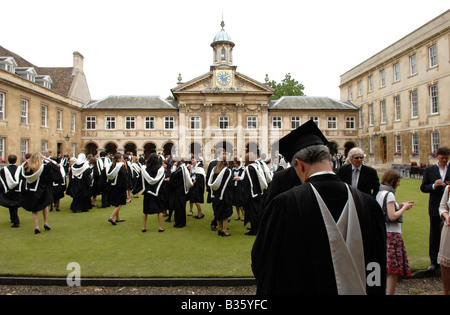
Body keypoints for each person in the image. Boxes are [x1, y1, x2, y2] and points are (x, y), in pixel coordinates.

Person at [252, 120, 386, 295]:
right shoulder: (368, 204)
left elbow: (262, 259)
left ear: (299, 165)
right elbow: (376, 262)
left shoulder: (284, 204)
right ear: (329, 158)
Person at [376, 170, 414, 295]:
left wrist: (401, 204)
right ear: (392, 180)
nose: (398, 184)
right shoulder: (390, 195)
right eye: (397, 181)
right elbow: (392, 216)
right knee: (393, 269)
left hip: (384, 232)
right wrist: (404, 208)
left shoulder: (380, 193)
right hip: (392, 233)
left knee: (387, 267)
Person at [421, 146, 450, 273]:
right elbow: (423, 187)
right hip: (435, 206)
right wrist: (434, 185)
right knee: (434, 234)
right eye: (442, 158)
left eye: (446, 158)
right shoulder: (430, 170)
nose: (444, 160)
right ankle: (434, 262)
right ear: (437, 156)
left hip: (449, 206)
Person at [18, 152, 60, 234]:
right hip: (43, 189)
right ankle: (46, 223)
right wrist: (45, 158)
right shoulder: (44, 167)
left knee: (34, 209)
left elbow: (22, 177)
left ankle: (36, 226)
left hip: (32, 190)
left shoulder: (27, 168)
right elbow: (56, 165)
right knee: (45, 206)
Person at [242, 151, 267, 235]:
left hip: (253, 193)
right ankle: (256, 228)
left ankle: (254, 230)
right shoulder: (256, 165)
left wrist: (246, 193)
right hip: (259, 192)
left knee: (253, 212)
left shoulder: (249, 168)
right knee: (257, 211)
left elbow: (249, 182)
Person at [140, 153, 166, 232]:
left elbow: (143, 180)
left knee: (145, 210)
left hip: (148, 191)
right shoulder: (160, 169)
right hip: (157, 191)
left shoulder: (145, 169)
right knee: (159, 210)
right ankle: (160, 227)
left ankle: (144, 227)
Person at [208, 158, 233, 236]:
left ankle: (219, 229)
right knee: (225, 213)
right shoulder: (227, 171)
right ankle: (224, 231)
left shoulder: (214, 170)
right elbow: (229, 183)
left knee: (218, 212)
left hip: (216, 194)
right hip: (225, 194)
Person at [168, 158, 192, 228]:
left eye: (174, 162)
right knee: (180, 206)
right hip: (181, 189)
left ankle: (179, 223)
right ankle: (181, 222)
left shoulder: (179, 169)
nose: (173, 163)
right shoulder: (182, 168)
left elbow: (173, 178)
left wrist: (173, 170)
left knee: (179, 206)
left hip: (179, 190)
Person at [0, 155, 23, 227]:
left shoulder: (4, 170)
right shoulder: (20, 169)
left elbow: (1, 181)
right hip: (17, 189)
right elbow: (23, 179)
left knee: (12, 204)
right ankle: (13, 218)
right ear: (16, 160)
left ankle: (16, 221)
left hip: (8, 190)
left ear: (7, 160)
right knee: (14, 205)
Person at [107, 153, 128, 225]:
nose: (123, 159)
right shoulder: (121, 166)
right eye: (122, 158)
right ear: (119, 159)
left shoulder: (112, 165)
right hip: (120, 187)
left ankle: (117, 218)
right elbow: (124, 175)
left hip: (113, 186)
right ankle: (111, 217)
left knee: (117, 202)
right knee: (120, 202)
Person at [438, 184, 450, 294]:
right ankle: (446, 291)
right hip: (449, 228)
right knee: (446, 263)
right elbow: (442, 206)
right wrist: (446, 216)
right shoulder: (449, 188)